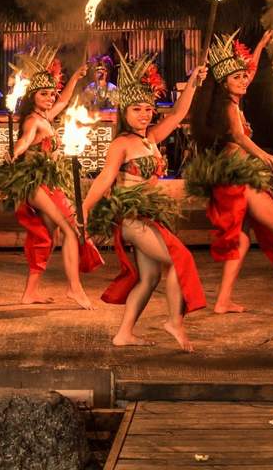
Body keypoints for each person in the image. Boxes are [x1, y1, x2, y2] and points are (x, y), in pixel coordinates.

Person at [82, 52, 208, 351]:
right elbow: (105, 178)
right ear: (124, 111)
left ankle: (124, 334)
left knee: (149, 277)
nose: (144, 114)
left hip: (149, 217)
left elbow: (177, 114)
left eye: (149, 109)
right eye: (137, 109)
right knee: (180, 260)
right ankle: (174, 321)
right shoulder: (121, 143)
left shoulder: (150, 138)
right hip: (132, 218)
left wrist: (193, 81)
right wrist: (85, 209)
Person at [184, 30, 273, 320]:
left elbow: (249, 73)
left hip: (231, 179)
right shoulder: (228, 107)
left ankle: (223, 300)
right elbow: (240, 137)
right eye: (237, 77)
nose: (244, 80)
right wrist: (264, 155)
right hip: (239, 178)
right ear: (224, 83)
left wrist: (262, 45)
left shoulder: (230, 101)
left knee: (241, 239)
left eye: (244, 76)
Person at [0, 46, 103, 308]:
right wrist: (15, 151)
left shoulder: (46, 117)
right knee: (70, 230)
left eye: (51, 93)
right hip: (35, 182)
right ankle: (75, 288)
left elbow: (63, 101)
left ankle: (30, 293)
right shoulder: (33, 121)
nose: (51, 98)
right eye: (44, 94)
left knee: (47, 236)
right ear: (33, 96)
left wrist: (75, 76)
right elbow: (25, 139)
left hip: (47, 182)